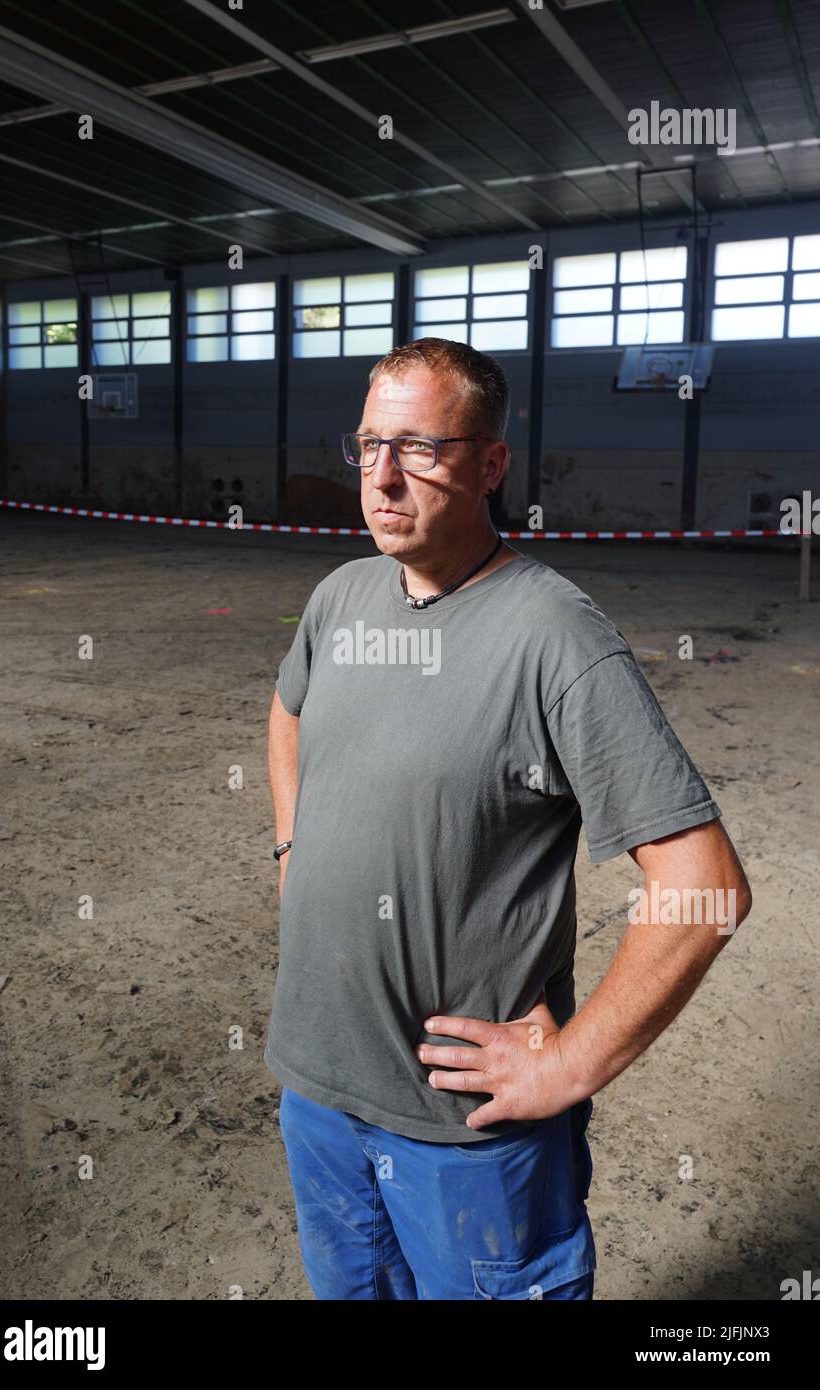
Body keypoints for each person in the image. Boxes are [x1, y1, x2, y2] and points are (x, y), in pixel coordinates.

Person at [264, 337, 752, 1301]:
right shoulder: (341, 597)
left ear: (490, 464)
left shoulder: (555, 638)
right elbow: (287, 713)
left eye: (421, 448)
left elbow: (704, 890)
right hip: (317, 1094)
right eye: (368, 447)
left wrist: (568, 1064)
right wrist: (293, 843)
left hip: (464, 1137)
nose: (384, 479)